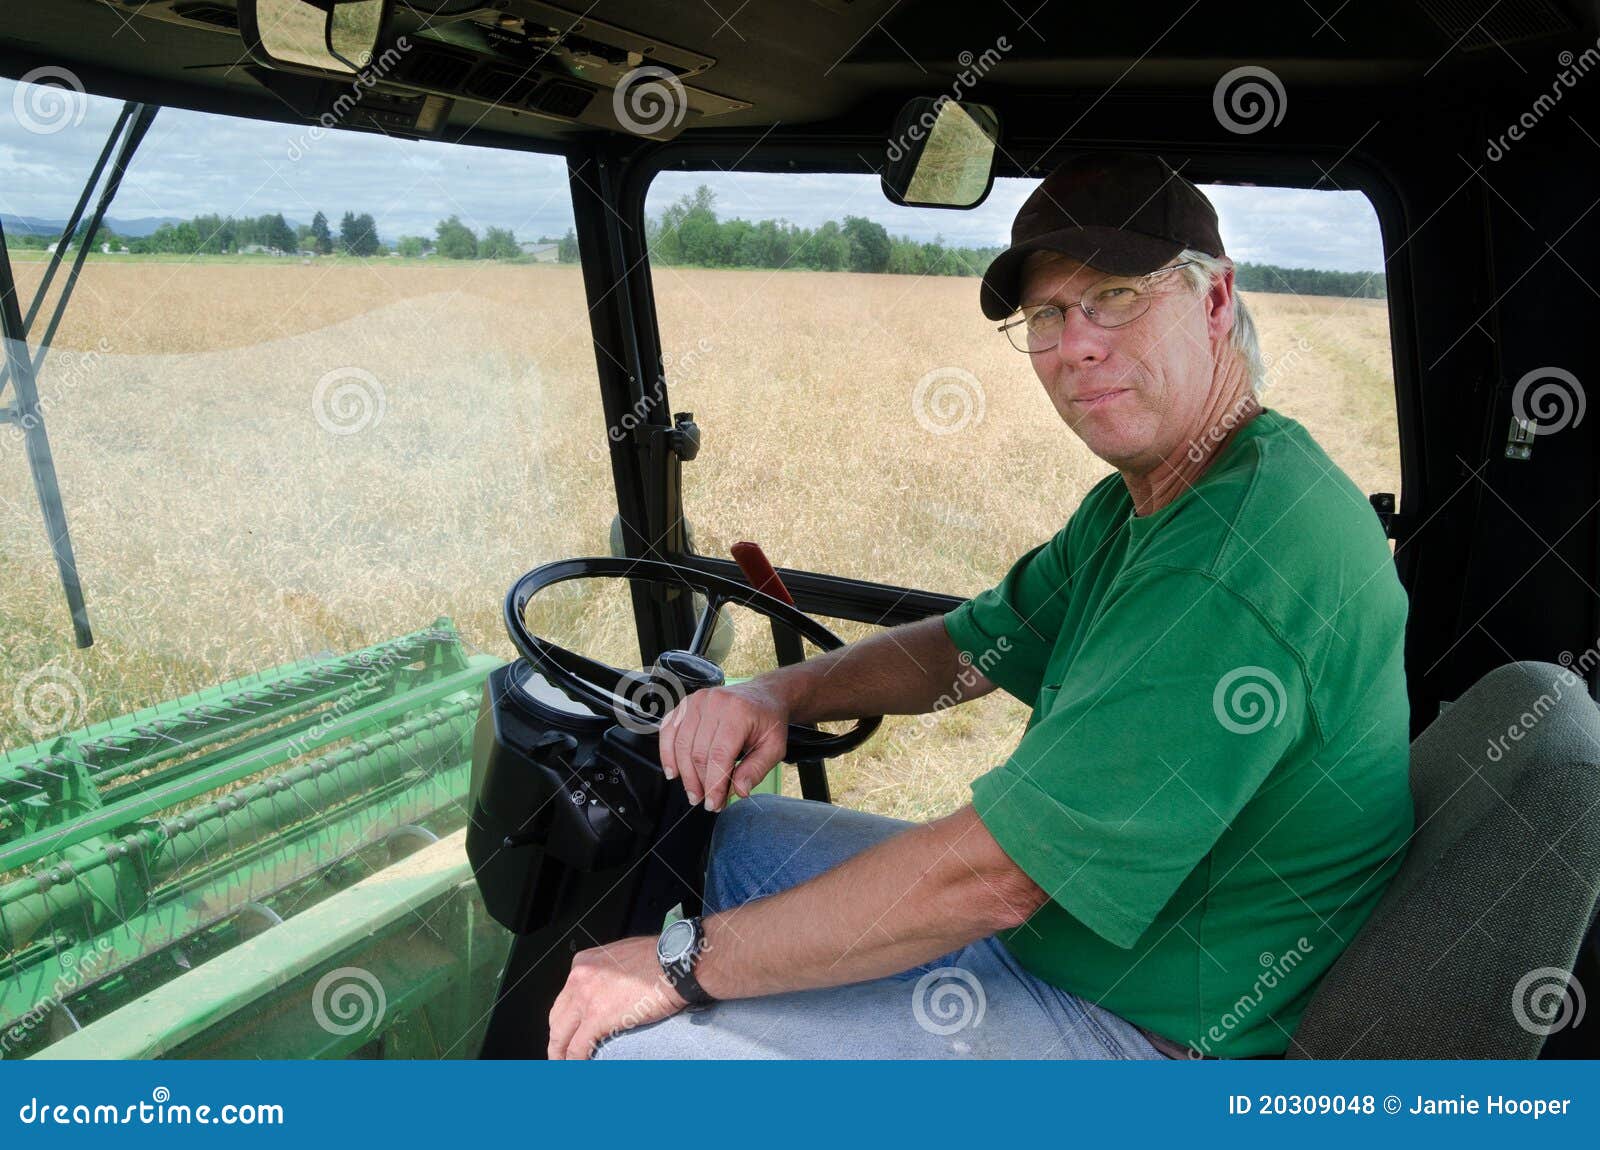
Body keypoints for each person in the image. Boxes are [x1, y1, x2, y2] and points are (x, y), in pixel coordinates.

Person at [550, 151, 1414, 1061]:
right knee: (722, 838)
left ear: (1213, 302)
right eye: (1049, 314)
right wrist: (780, 697)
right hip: (1066, 944)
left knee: (643, 1060)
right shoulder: (1148, 500)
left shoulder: (1241, 551)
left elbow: (998, 880)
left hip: (1154, 1032)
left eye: (1118, 294)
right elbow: (965, 651)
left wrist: (676, 967)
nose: (1078, 343)